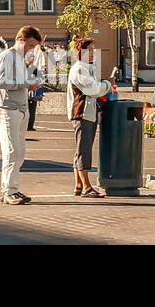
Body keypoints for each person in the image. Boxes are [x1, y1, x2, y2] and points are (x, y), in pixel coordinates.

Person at [0, 25, 43, 205]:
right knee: (11, 151)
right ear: (21, 40)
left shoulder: (21, 59)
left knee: (19, 152)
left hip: (20, 109)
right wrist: (26, 84)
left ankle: (13, 188)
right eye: (30, 45)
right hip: (8, 109)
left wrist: (30, 82)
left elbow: (17, 82)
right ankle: (8, 191)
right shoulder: (8, 55)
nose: (32, 50)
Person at [66, 38, 113, 198]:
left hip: (87, 112)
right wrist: (107, 84)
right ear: (82, 52)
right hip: (82, 113)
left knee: (81, 150)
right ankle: (86, 186)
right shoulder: (79, 69)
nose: (94, 52)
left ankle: (78, 185)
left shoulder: (85, 67)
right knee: (83, 150)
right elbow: (93, 89)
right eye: (91, 49)